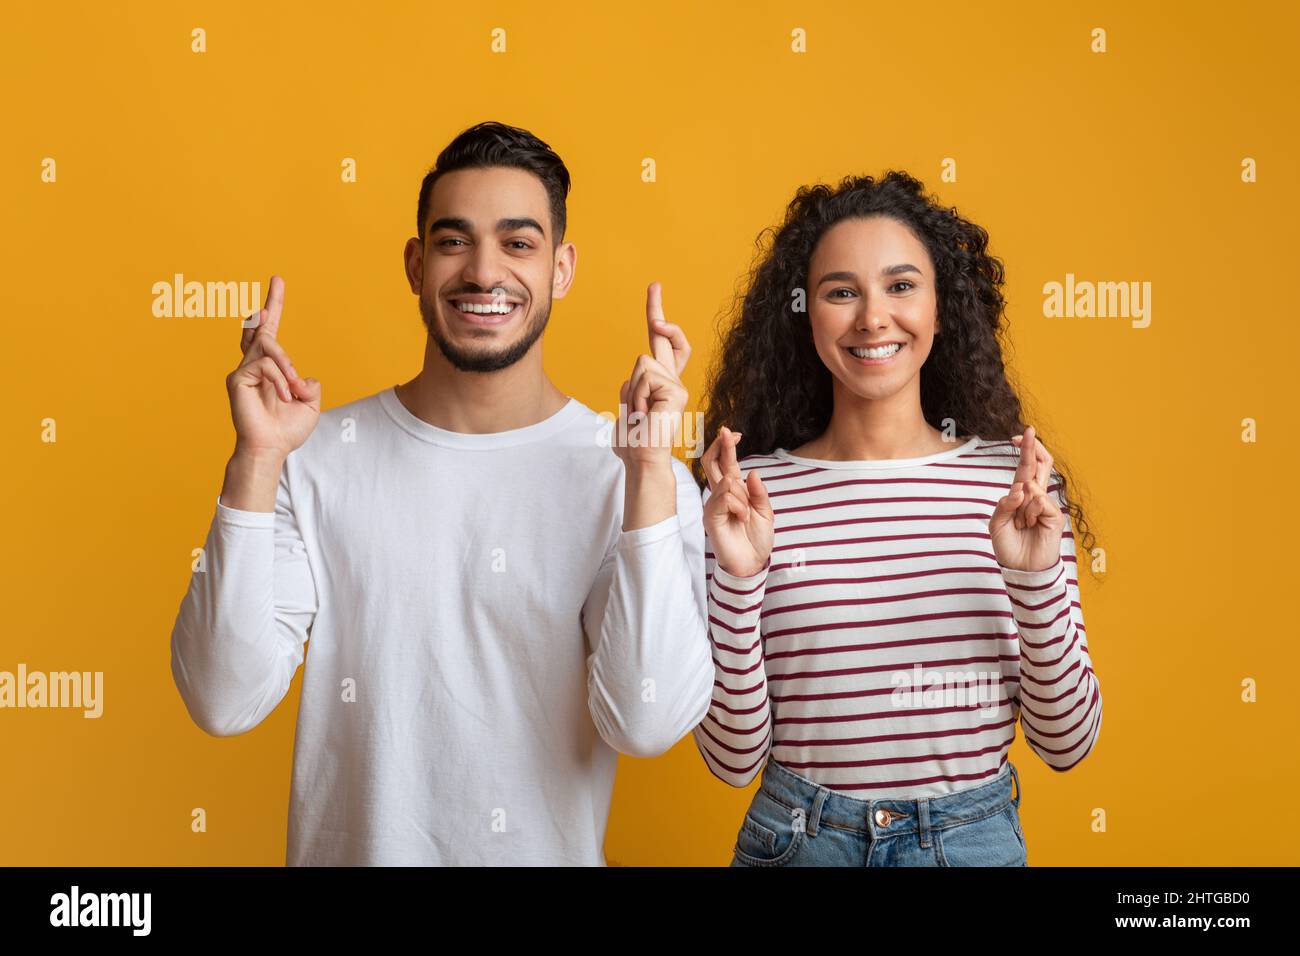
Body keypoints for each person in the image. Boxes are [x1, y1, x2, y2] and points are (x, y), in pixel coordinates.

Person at [169, 121, 714, 865]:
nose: (484, 272)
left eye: (518, 243)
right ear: (417, 263)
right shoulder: (312, 457)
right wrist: (255, 461)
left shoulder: (633, 473)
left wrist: (649, 474)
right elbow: (222, 699)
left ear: (561, 268)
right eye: (455, 242)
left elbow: (646, 723)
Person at [690, 171, 1102, 866]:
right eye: (841, 291)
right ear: (807, 314)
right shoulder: (751, 498)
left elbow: (1068, 742)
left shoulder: (1015, 487)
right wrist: (737, 577)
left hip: (971, 842)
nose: (872, 317)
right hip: (799, 842)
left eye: (901, 285)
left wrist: (1031, 580)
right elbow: (732, 761)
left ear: (942, 309)